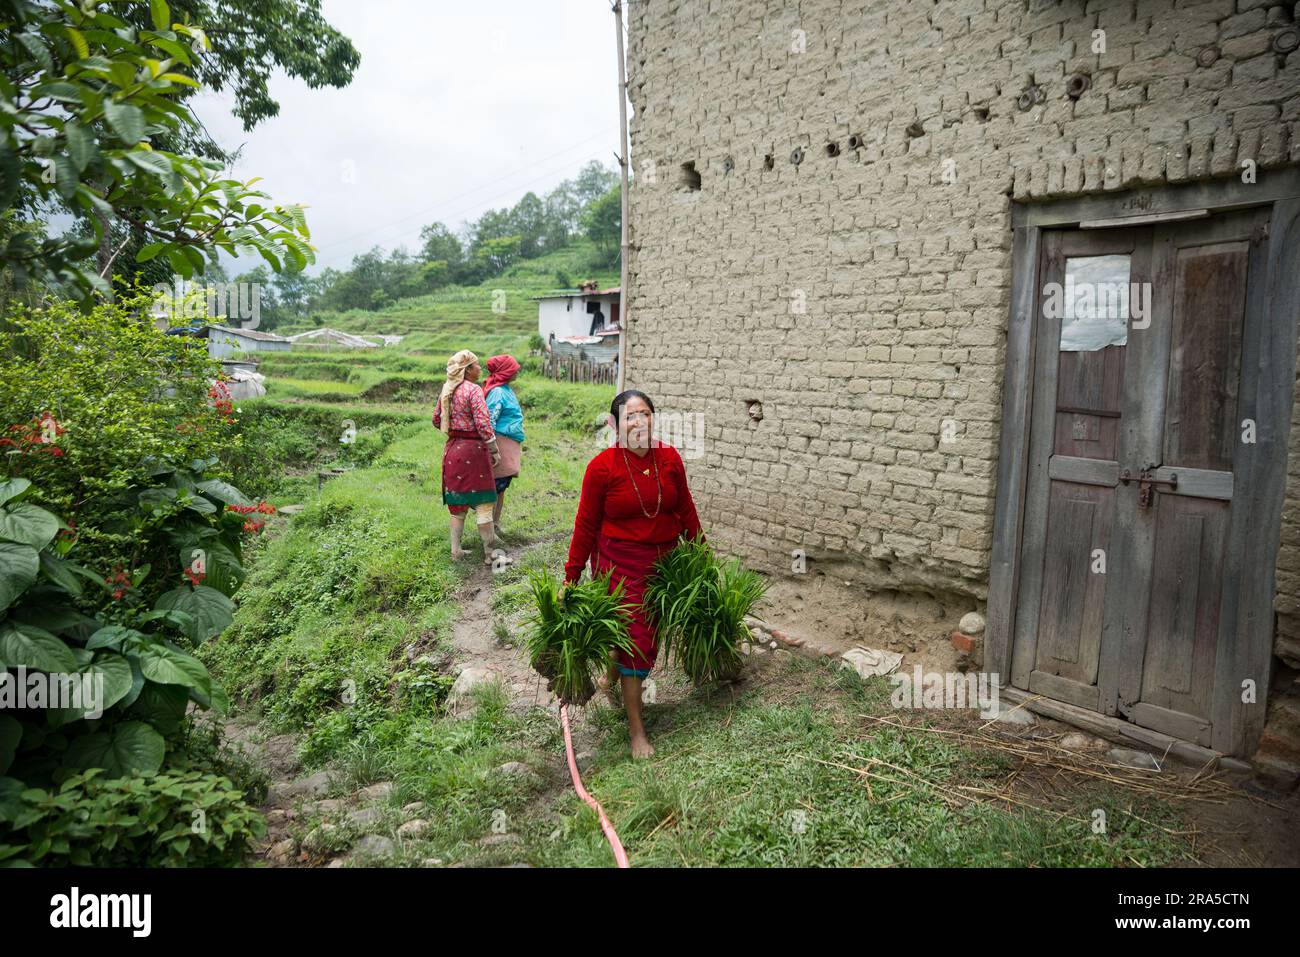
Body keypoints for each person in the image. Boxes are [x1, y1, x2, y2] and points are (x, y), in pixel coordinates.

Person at [564, 389, 702, 759]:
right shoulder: (602, 468)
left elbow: (686, 509)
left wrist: (701, 554)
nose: (638, 422)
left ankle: (613, 676)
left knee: (644, 631)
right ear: (615, 424)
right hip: (619, 565)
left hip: (664, 564)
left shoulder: (669, 458)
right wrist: (571, 577)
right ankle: (637, 731)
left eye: (644, 414)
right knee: (637, 641)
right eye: (630, 416)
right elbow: (586, 525)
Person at [432, 350, 501, 563]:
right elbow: (482, 423)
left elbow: (436, 419)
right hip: (474, 451)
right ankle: (490, 554)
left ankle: (456, 551)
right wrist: (493, 448)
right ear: (468, 370)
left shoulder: (448, 390)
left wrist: (455, 428)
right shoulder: (474, 390)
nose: (480, 369)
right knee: (484, 503)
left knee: (458, 505)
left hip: (452, 451)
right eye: (477, 365)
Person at [483, 354, 524, 533]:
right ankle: (489, 526)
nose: (517, 370)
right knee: (496, 486)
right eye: (513, 368)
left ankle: (495, 523)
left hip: (507, 443)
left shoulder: (505, 388)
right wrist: (492, 448)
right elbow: (490, 420)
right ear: (505, 372)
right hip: (500, 442)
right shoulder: (498, 392)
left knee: (501, 487)